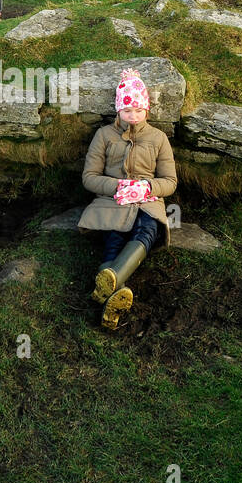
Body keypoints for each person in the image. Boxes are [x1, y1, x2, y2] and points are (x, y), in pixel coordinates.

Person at [76, 67, 177, 330]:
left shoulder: (158, 138)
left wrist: (146, 187)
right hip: (111, 200)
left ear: (147, 110)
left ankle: (110, 283)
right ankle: (113, 299)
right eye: (127, 111)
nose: (133, 116)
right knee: (114, 237)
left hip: (146, 200)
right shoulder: (104, 135)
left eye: (138, 111)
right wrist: (118, 187)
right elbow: (89, 177)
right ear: (118, 110)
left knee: (148, 228)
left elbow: (170, 182)